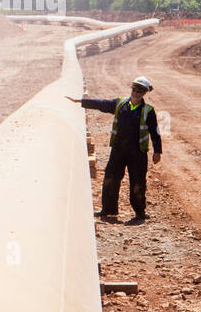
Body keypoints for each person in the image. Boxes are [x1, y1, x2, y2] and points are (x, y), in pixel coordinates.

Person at [66, 77, 161, 223]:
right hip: (119, 150)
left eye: (140, 90)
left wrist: (157, 151)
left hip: (138, 153)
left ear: (144, 93)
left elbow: (155, 132)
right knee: (111, 178)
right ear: (131, 89)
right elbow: (102, 104)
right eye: (134, 89)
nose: (136, 92)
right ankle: (108, 209)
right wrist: (80, 102)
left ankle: (140, 212)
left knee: (138, 182)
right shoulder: (120, 104)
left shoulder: (148, 111)